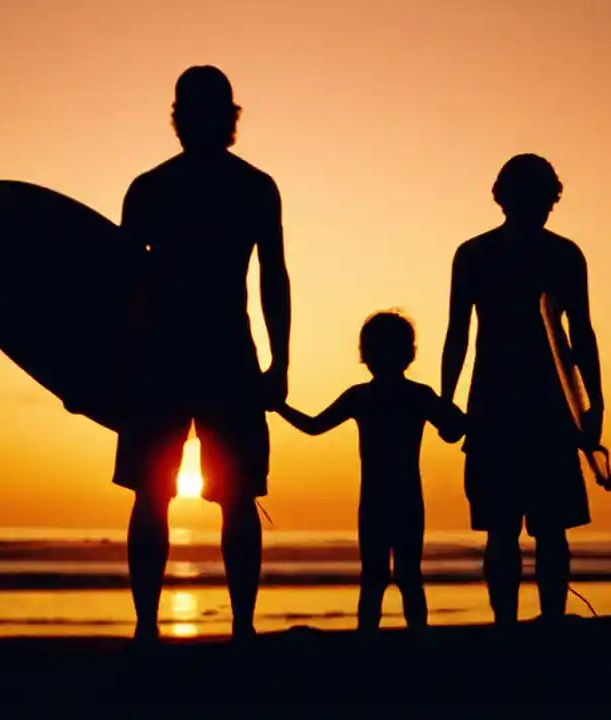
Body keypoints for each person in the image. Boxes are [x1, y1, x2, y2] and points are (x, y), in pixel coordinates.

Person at [113, 66, 291, 643]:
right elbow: (118, 284)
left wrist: (280, 362)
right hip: (200, 357)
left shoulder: (157, 186)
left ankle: (193, 627)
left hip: (183, 357)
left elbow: (273, 278)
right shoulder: (245, 186)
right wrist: (279, 362)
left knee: (210, 496)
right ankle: (212, 627)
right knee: (172, 494)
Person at [440, 154, 605, 627]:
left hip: (536, 406)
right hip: (503, 405)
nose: (538, 206)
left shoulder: (555, 255)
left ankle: (527, 623)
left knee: (525, 528)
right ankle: (521, 623)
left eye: (541, 197)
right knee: (513, 528)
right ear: (506, 198)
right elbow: (458, 334)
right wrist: (449, 401)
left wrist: (593, 404)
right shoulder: (477, 254)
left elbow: (582, 335)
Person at [273, 312, 464, 632]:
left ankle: (369, 642)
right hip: (406, 498)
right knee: (408, 576)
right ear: (409, 353)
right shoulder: (417, 396)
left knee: (374, 578)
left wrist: (280, 407)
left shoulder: (362, 396)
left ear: (365, 355)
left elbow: (313, 426)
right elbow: (455, 428)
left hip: (375, 500)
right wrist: (465, 418)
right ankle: (417, 639)